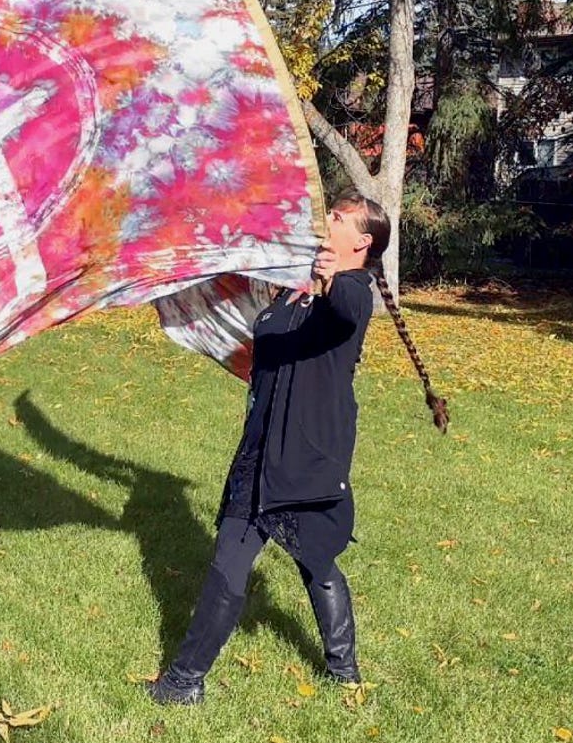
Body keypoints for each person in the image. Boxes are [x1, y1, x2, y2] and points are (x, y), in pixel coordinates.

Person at [147, 189, 449, 706]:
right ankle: (183, 681)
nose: (327, 218)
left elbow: (346, 306)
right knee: (228, 564)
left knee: (317, 560)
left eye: (339, 217)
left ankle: (344, 670)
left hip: (308, 457)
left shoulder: (352, 292)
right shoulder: (291, 292)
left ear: (362, 242)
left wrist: (330, 278)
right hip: (261, 450)